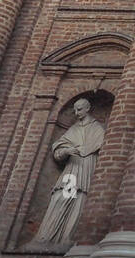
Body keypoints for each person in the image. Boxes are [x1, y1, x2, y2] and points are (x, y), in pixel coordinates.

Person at [32, 97, 104, 245]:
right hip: (72, 167)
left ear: (88, 109)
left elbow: (99, 144)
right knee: (62, 196)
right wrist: (66, 151)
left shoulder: (97, 128)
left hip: (87, 165)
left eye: (80, 109)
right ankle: (47, 235)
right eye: (75, 110)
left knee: (80, 199)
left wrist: (83, 150)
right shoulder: (73, 129)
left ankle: (68, 237)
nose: (77, 113)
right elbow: (59, 147)